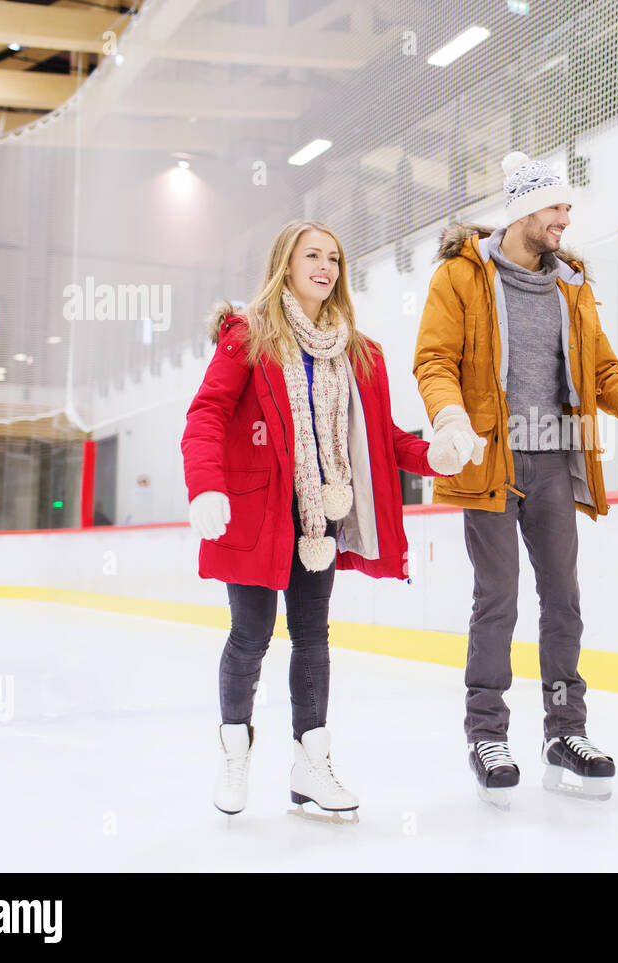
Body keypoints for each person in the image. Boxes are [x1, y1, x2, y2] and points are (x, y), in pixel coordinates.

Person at [413, 151, 618, 807]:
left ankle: (565, 732)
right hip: (490, 461)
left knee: (563, 601)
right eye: (555, 206)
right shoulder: (461, 276)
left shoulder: (571, 286)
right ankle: (487, 733)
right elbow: (434, 359)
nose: (566, 218)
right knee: (499, 597)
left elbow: (603, 375)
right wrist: (450, 419)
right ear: (521, 210)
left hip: (554, 460)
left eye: (567, 207)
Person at [181, 219, 465, 822]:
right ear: (285, 263)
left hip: (320, 520)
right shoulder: (248, 335)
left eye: (334, 258)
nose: (325, 267)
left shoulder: (357, 352)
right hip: (258, 515)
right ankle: (235, 749)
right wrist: (205, 486)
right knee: (251, 635)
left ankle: (311, 764)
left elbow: (379, 438)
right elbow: (206, 412)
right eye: (313, 255)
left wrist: (431, 454)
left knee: (313, 639)